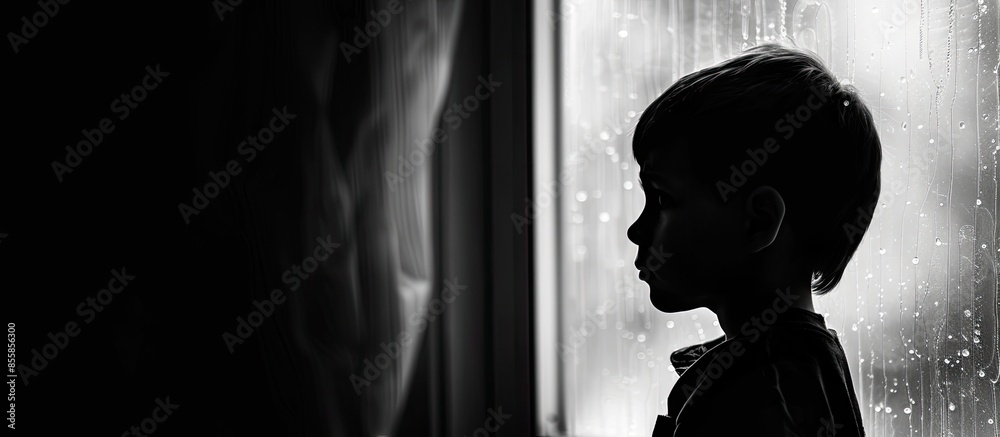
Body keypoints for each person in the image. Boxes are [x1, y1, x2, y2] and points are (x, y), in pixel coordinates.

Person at [627, 43, 880, 436]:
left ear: (758, 222)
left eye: (663, 199)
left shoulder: (755, 398)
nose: (636, 230)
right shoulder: (798, 370)